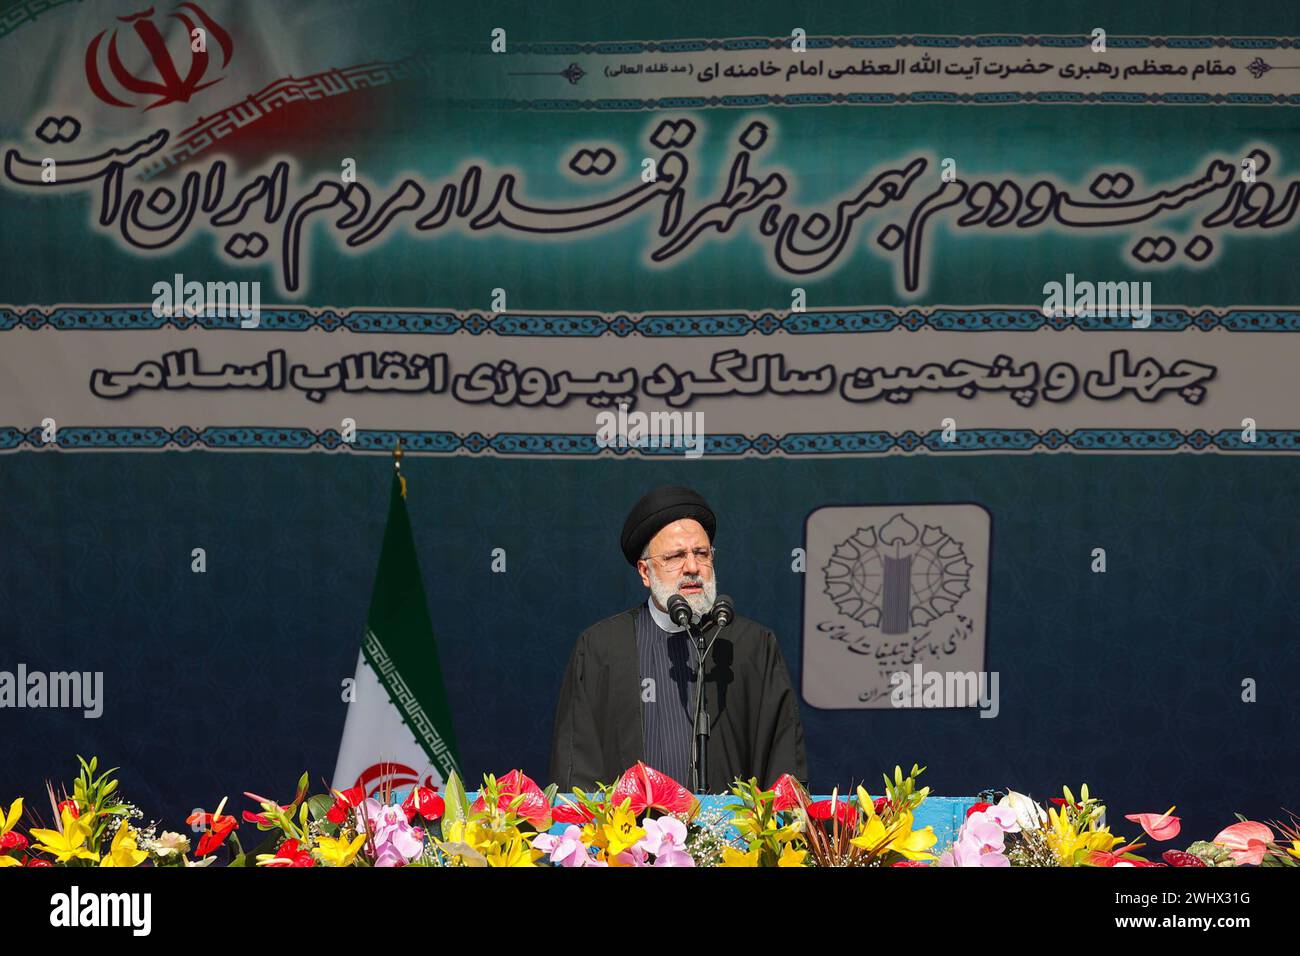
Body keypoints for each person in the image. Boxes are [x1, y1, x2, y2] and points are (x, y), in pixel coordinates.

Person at [548, 484, 808, 792]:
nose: (693, 567)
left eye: (701, 553)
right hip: (630, 837)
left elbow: (783, 762)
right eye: (675, 556)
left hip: (733, 837)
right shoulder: (601, 647)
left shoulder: (752, 645)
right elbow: (576, 766)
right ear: (645, 572)